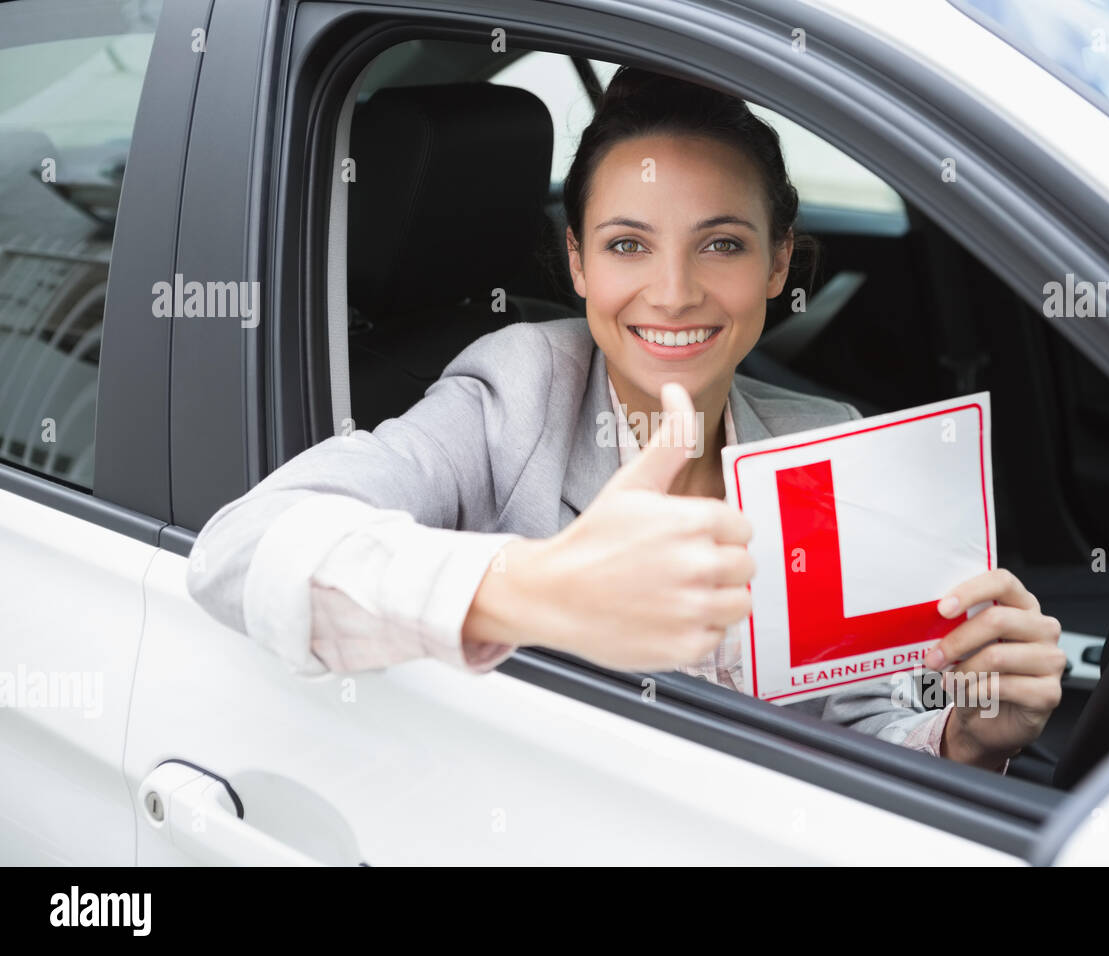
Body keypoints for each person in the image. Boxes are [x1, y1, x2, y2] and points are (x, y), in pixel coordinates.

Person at [187, 66, 1065, 774]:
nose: (674, 293)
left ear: (777, 261)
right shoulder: (517, 395)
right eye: (626, 244)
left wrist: (966, 735)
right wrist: (536, 590)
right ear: (575, 261)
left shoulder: (820, 444)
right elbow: (242, 550)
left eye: (721, 244)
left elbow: (863, 725)